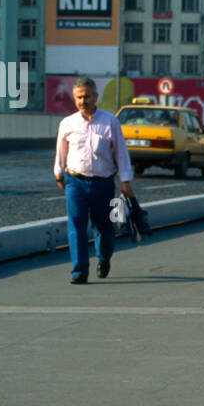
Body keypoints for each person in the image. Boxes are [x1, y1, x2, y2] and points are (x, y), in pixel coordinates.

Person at [54, 77, 135, 284]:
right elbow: (61, 152)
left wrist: (125, 181)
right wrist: (59, 173)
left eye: (87, 97)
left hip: (103, 183)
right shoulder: (67, 123)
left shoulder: (110, 121)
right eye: (79, 97)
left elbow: (121, 153)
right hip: (75, 182)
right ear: (74, 99)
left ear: (96, 97)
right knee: (76, 226)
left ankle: (103, 258)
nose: (83, 101)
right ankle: (79, 271)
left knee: (104, 227)